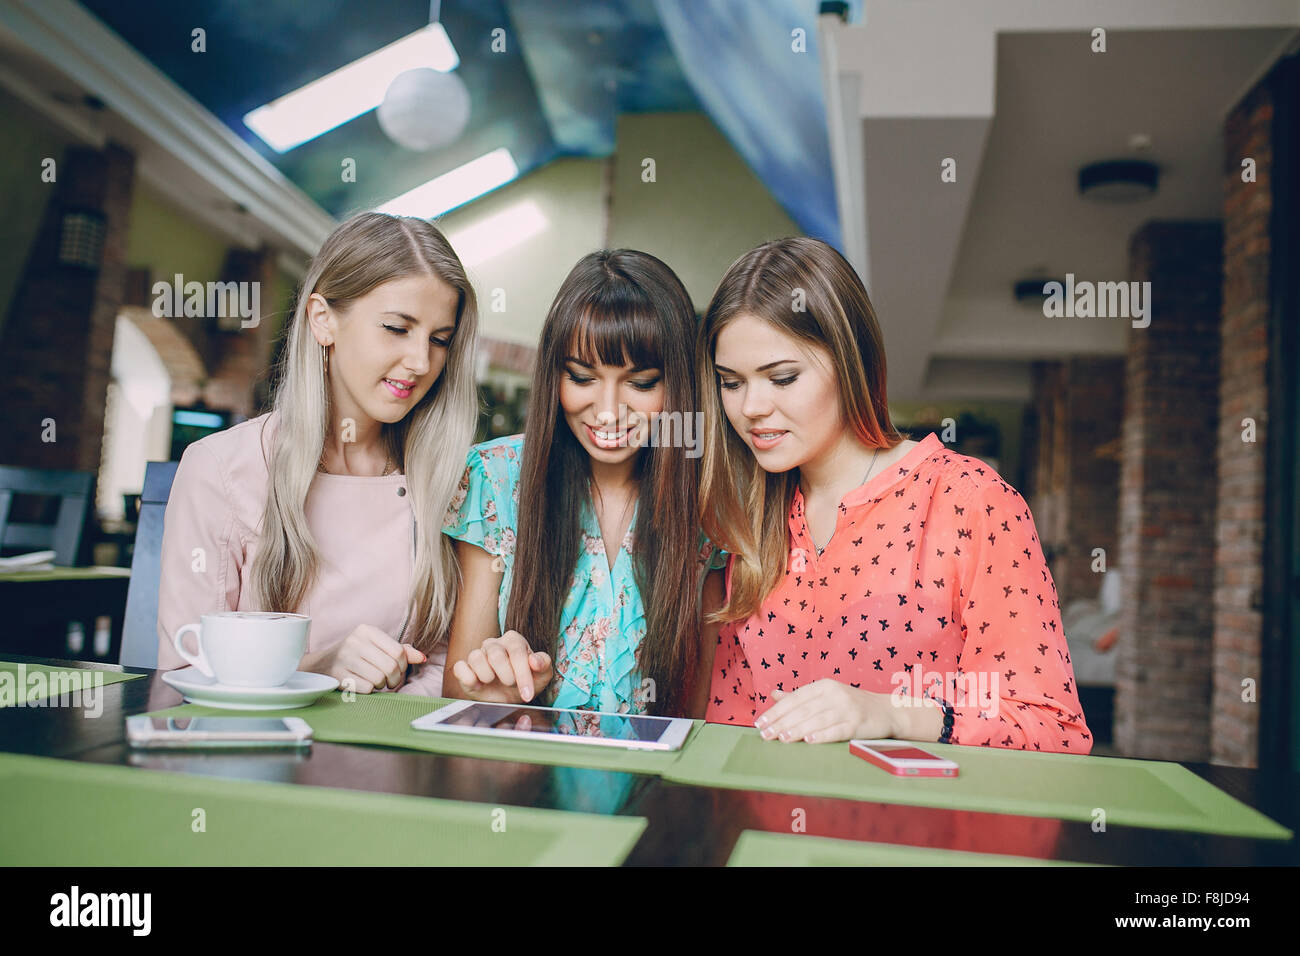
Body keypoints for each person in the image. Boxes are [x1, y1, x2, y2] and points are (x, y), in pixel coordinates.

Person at [698, 237, 1091, 752]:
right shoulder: (747, 518)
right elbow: (731, 729)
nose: (751, 407)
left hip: (921, 829)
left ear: (851, 362)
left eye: (782, 377)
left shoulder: (970, 501)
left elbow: (1052, 727)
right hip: (776, 827)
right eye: (731, 382)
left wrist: (890, 711)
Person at [156, 211, 480, 694]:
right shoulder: (220, 468)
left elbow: (443, 669)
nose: (420, 362)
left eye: (440, 340)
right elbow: (183, 675)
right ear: (323, 320)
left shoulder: (452, 478)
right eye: (396, 328)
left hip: (401, 754)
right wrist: (319, 669)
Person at [442, 250, 722, 718]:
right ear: (554, 374)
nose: (608, 410)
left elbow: (697, 715)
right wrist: (495, 688)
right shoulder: (496, 476)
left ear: (679, 385)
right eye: (581, 377)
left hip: (653, 783)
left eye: (642, 383)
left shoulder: (709, 499)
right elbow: (458, 688)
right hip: (520, 777)